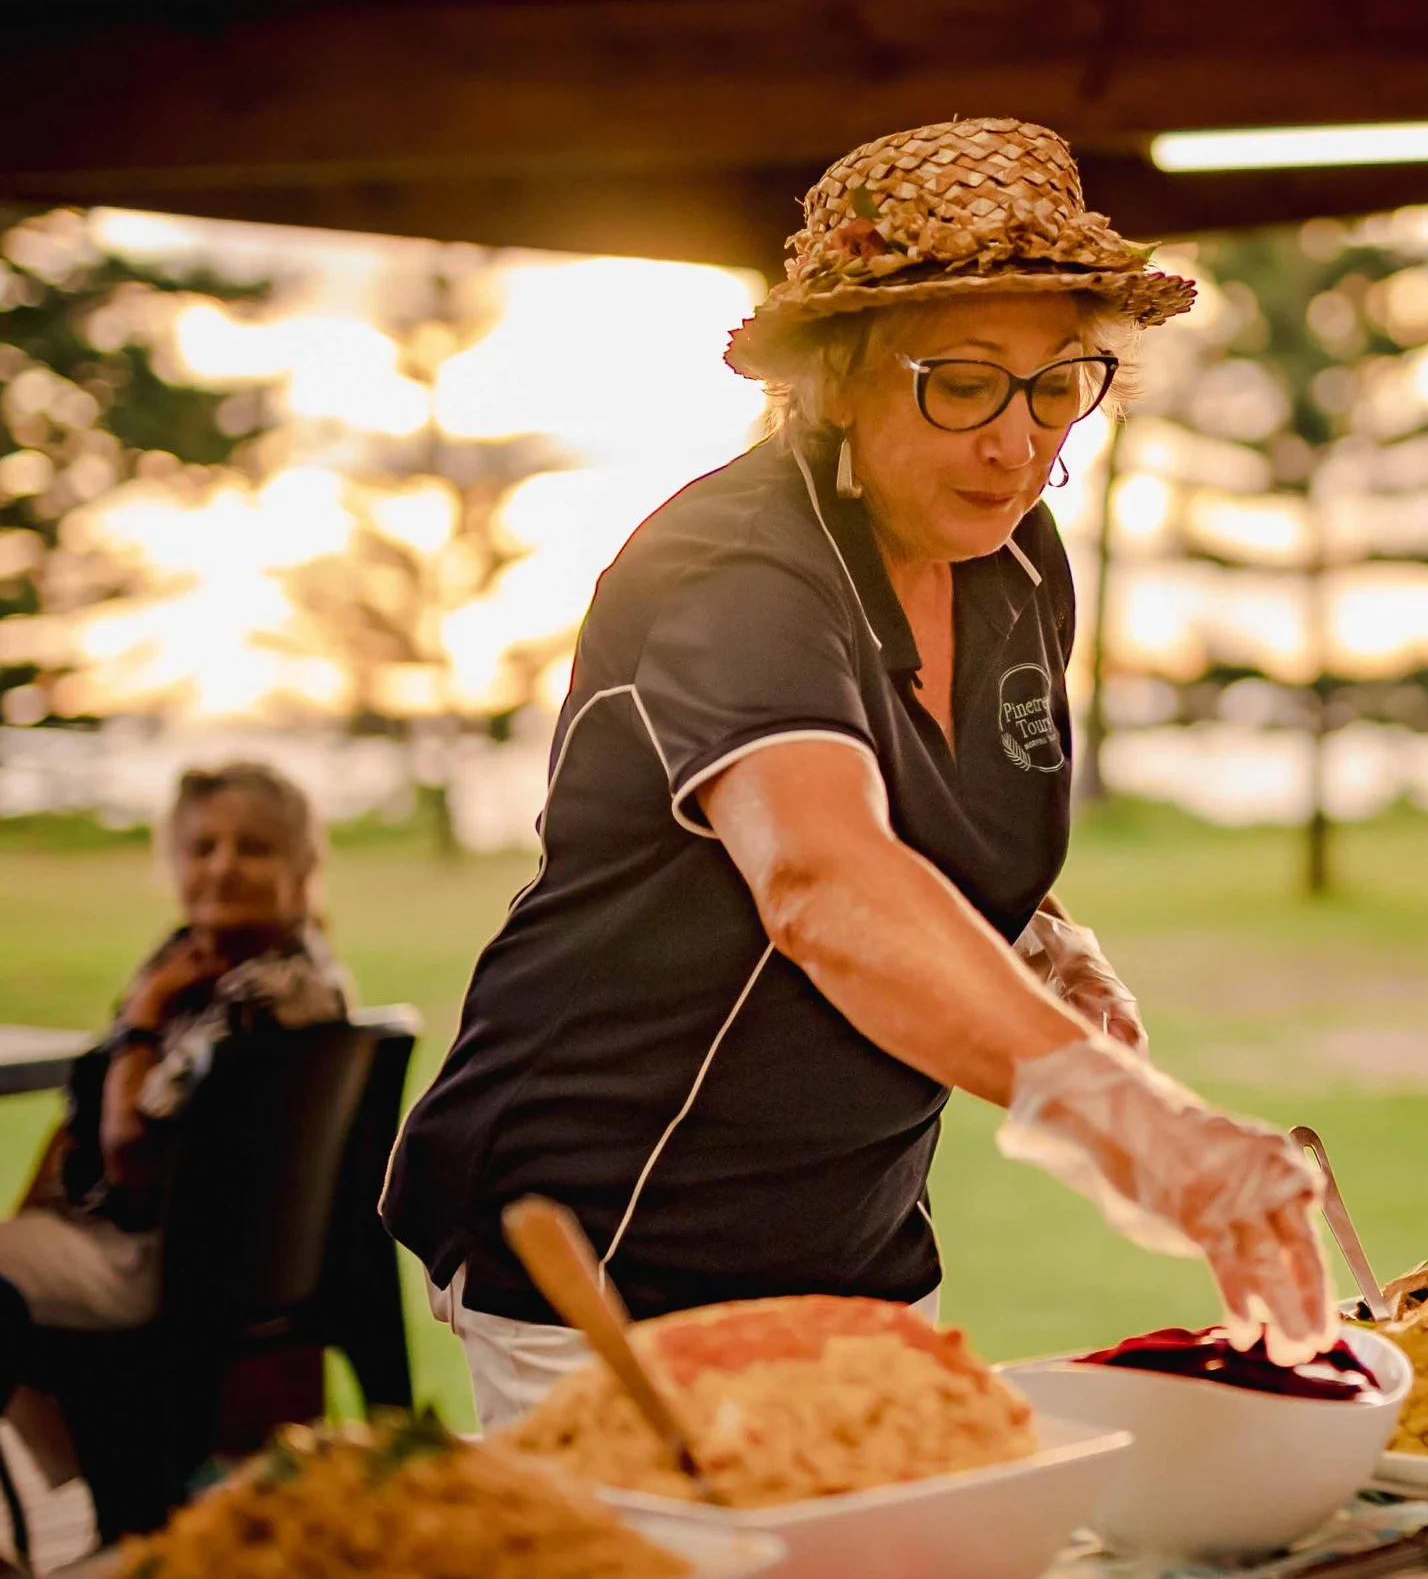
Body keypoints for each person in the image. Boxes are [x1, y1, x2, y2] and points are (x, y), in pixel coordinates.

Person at [383, 117, 1332, 1428]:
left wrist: (1040, 941)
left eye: (1060, 381)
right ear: (834, 378)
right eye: (961, 382)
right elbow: (823, 874)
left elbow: (923, 807)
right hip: (610, 1232)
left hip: (856, 1228)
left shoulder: (1013, 556)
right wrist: (1136, 1121)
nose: (1017, 442)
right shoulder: (730, 570)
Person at [0, 763, 351, 1377]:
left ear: (303, 869)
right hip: (197, 1259)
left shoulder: (263, 993)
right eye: (201, 848)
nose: (222, 867)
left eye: (256, 849)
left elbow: (128, 1160)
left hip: (164, 1266)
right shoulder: (251, 972)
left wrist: (142, 1018)